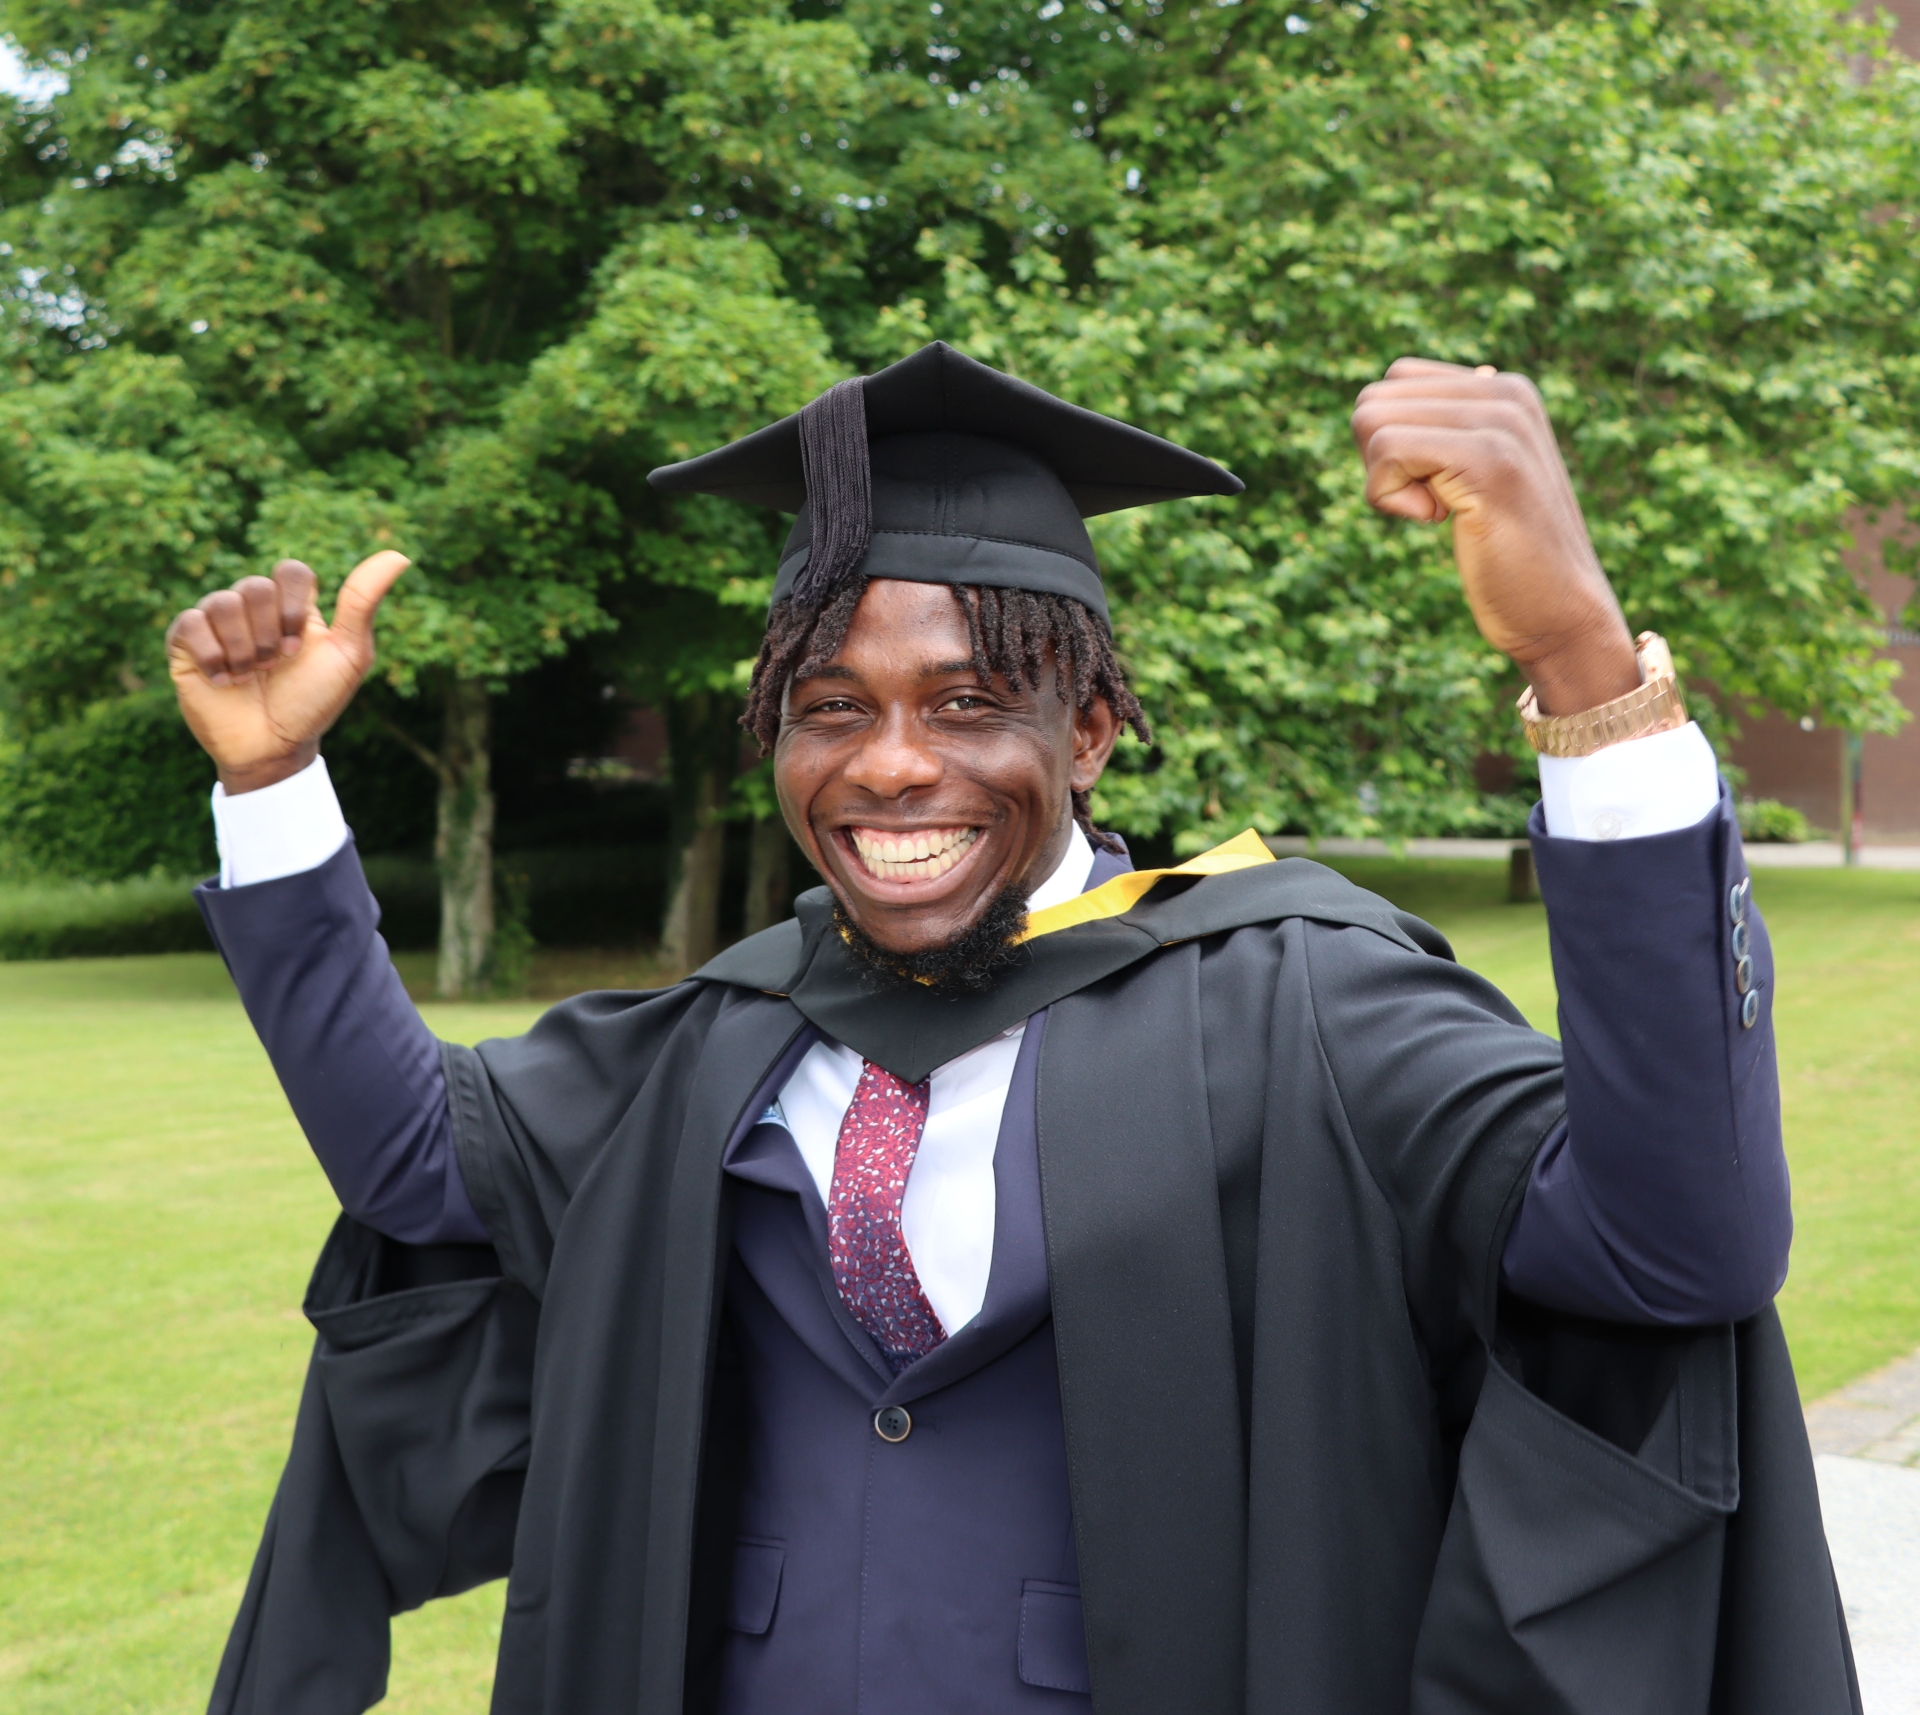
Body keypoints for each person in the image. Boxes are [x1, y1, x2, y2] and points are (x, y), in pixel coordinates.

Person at [169, 344, 1855, 1715]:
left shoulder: (1303, 1005)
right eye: (832, 708)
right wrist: (269, 784)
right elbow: (416, 1161)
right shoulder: (728, 1035)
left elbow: (1677, 1248)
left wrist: (1579, 665)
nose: (894, 763)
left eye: (970, 703)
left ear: (1095, 728)